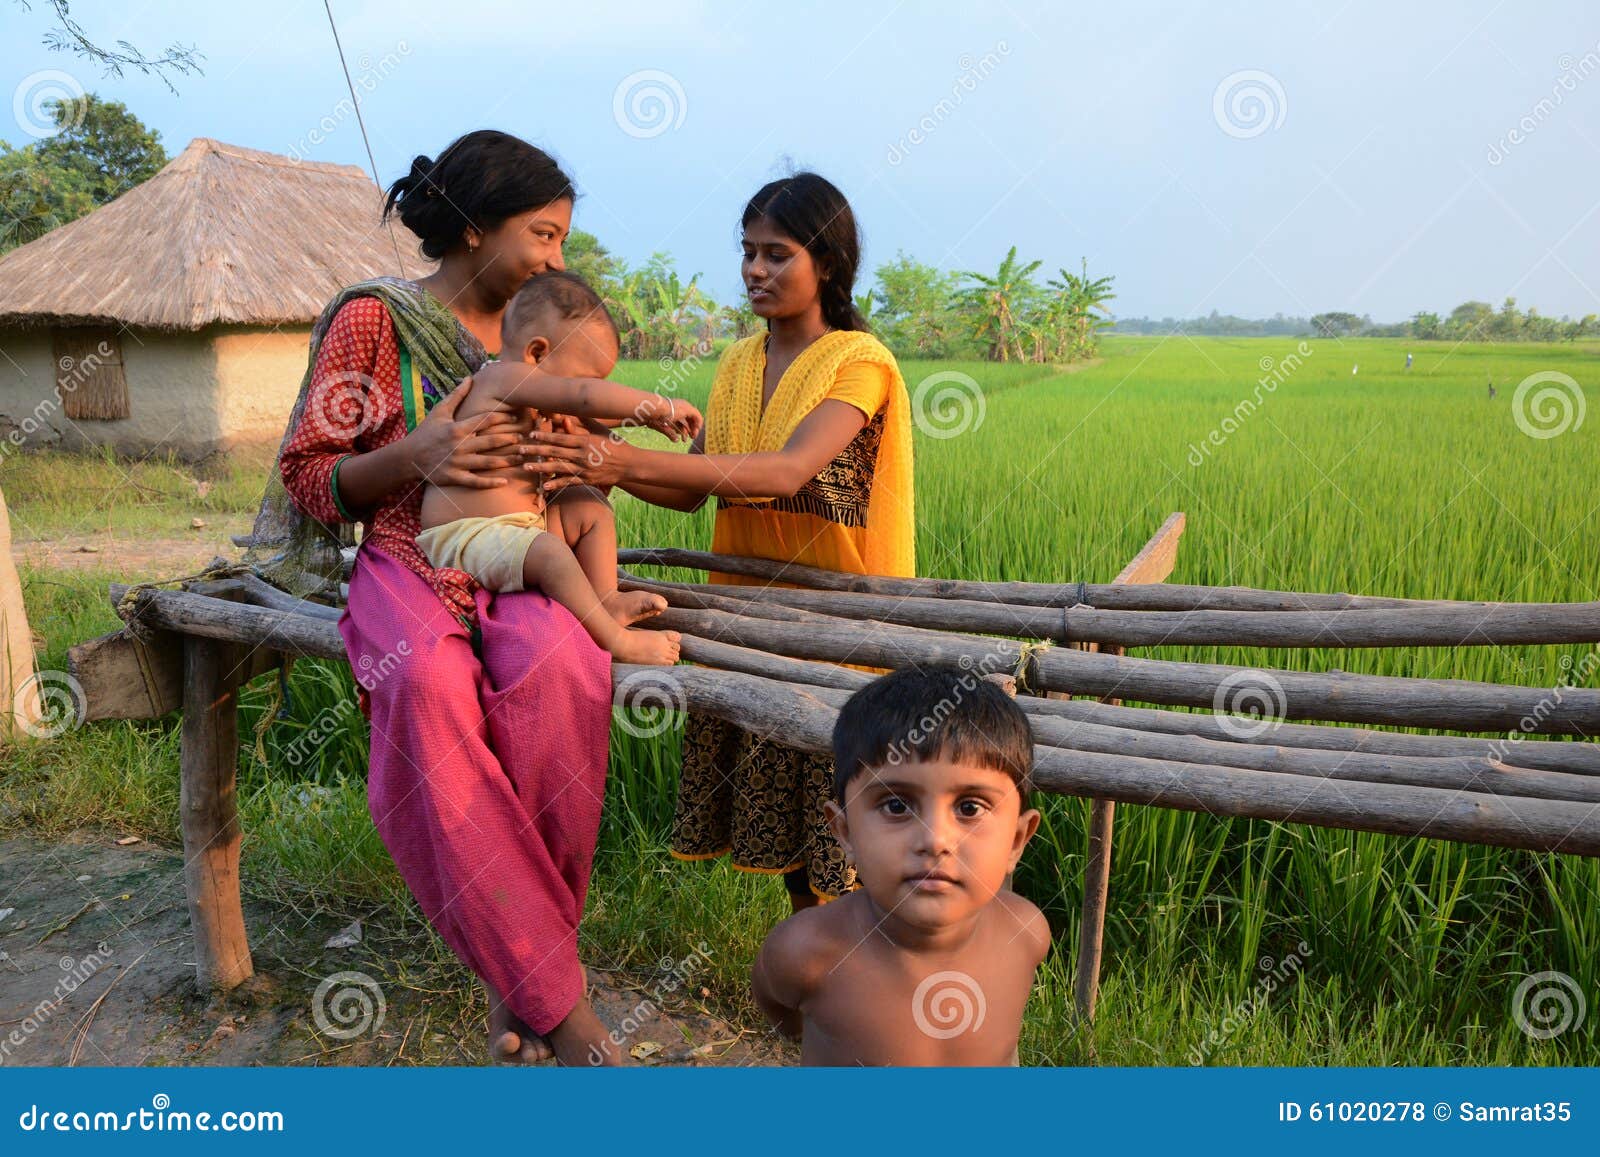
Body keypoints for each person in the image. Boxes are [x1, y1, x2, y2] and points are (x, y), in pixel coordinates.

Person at [255, 130, 622, 1066]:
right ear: (470, 227)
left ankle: (519, 975)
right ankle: (559, 1004)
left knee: (563, 667)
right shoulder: (374, 322)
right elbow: (309, 474)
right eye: (541, 234)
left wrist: (583, 476)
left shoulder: (545, 335)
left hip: (521, 552)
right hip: (406, 552)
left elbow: (584, 464)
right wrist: (414, 456)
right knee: (421, 681)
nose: (555, 258)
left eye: (561, 239)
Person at [528, 173, 915, 910]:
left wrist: (623, 459)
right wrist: (595, 447)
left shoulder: (859, 363)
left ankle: (866, 994)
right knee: (800, 841)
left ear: (826, 263)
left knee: (855, 835)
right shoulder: (739, 361)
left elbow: (785, 471)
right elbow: (696, 485)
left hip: (837, 629)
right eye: (748, 253)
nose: (755, 271)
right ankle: (822, 985)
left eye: (777, 255)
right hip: (752, 620)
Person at [750, 668, 1048, 1065]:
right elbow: (781, 1015)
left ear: (1016, 840)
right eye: (896, 805)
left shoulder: (1026, 935)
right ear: (846, 832)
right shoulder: (803, 953)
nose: (935, 839)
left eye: (970, 808)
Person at [418, 271, 700, 665]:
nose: (597, 391)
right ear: (536, 353)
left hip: (518, 532)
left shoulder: (530, 394)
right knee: (550, 552)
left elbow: (579, 400)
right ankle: (616, 641)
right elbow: (581, 398)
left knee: (588, 505)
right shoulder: (502, 379)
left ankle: (604, 600)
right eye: (591, 379)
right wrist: (660, 405)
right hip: (467, 538)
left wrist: (638, 419)